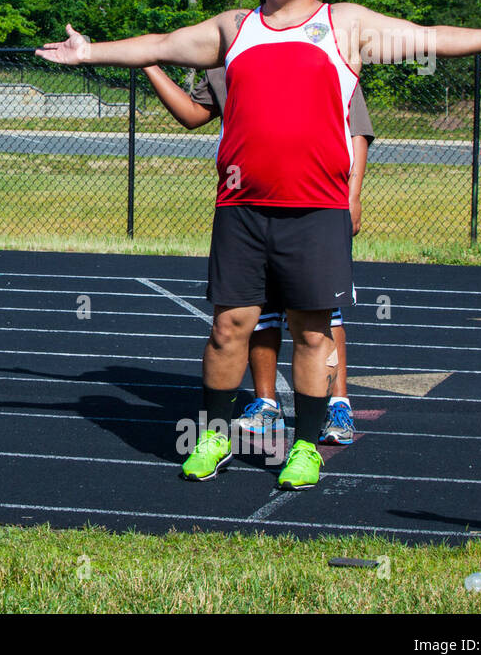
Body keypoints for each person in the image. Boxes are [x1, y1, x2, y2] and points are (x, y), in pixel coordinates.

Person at [37, 0, 481, 490]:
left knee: (313, 333)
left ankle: (306, 446)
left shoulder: (346, 24)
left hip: (316, 210)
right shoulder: (234, 28)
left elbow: (430, 36)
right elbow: (159, 46)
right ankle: (213, 435)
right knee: (227, 327)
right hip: (241, 207)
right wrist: (89, 52)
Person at [141, 57, 374, 444]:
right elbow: (192, 114)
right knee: (256, 310)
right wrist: (148, 63)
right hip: (249, 209)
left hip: (315, 207)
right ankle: (266, 405)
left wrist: (353, 195)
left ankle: (338, 404)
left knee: (320, 315)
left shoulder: (327, 50)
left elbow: (357, 130)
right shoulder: (229, 60)